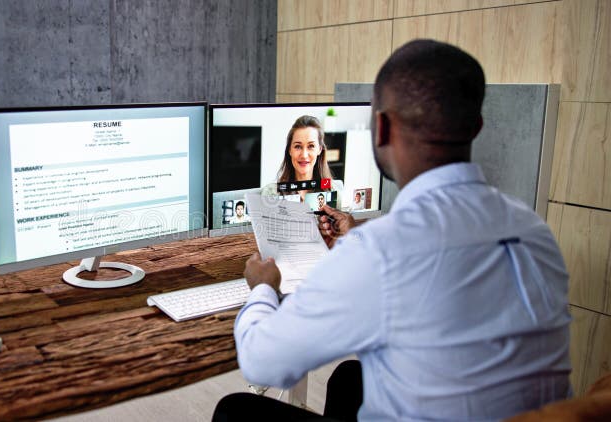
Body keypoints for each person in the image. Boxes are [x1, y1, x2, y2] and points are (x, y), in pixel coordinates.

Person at [214, 39, 571, 421]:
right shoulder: (534, 230)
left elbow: (262, 363)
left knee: (236, 410)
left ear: (381, 127)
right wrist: (358, 241)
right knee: (350, 378)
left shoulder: (380, 252)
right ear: (476, 127)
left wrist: (264, 287)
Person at [261, 115, 344, 208]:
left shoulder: (333, 191)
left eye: (311, 146)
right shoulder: (271, 193)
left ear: (319, 149)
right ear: (290, 150)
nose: (304, 155)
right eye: (298, 146)